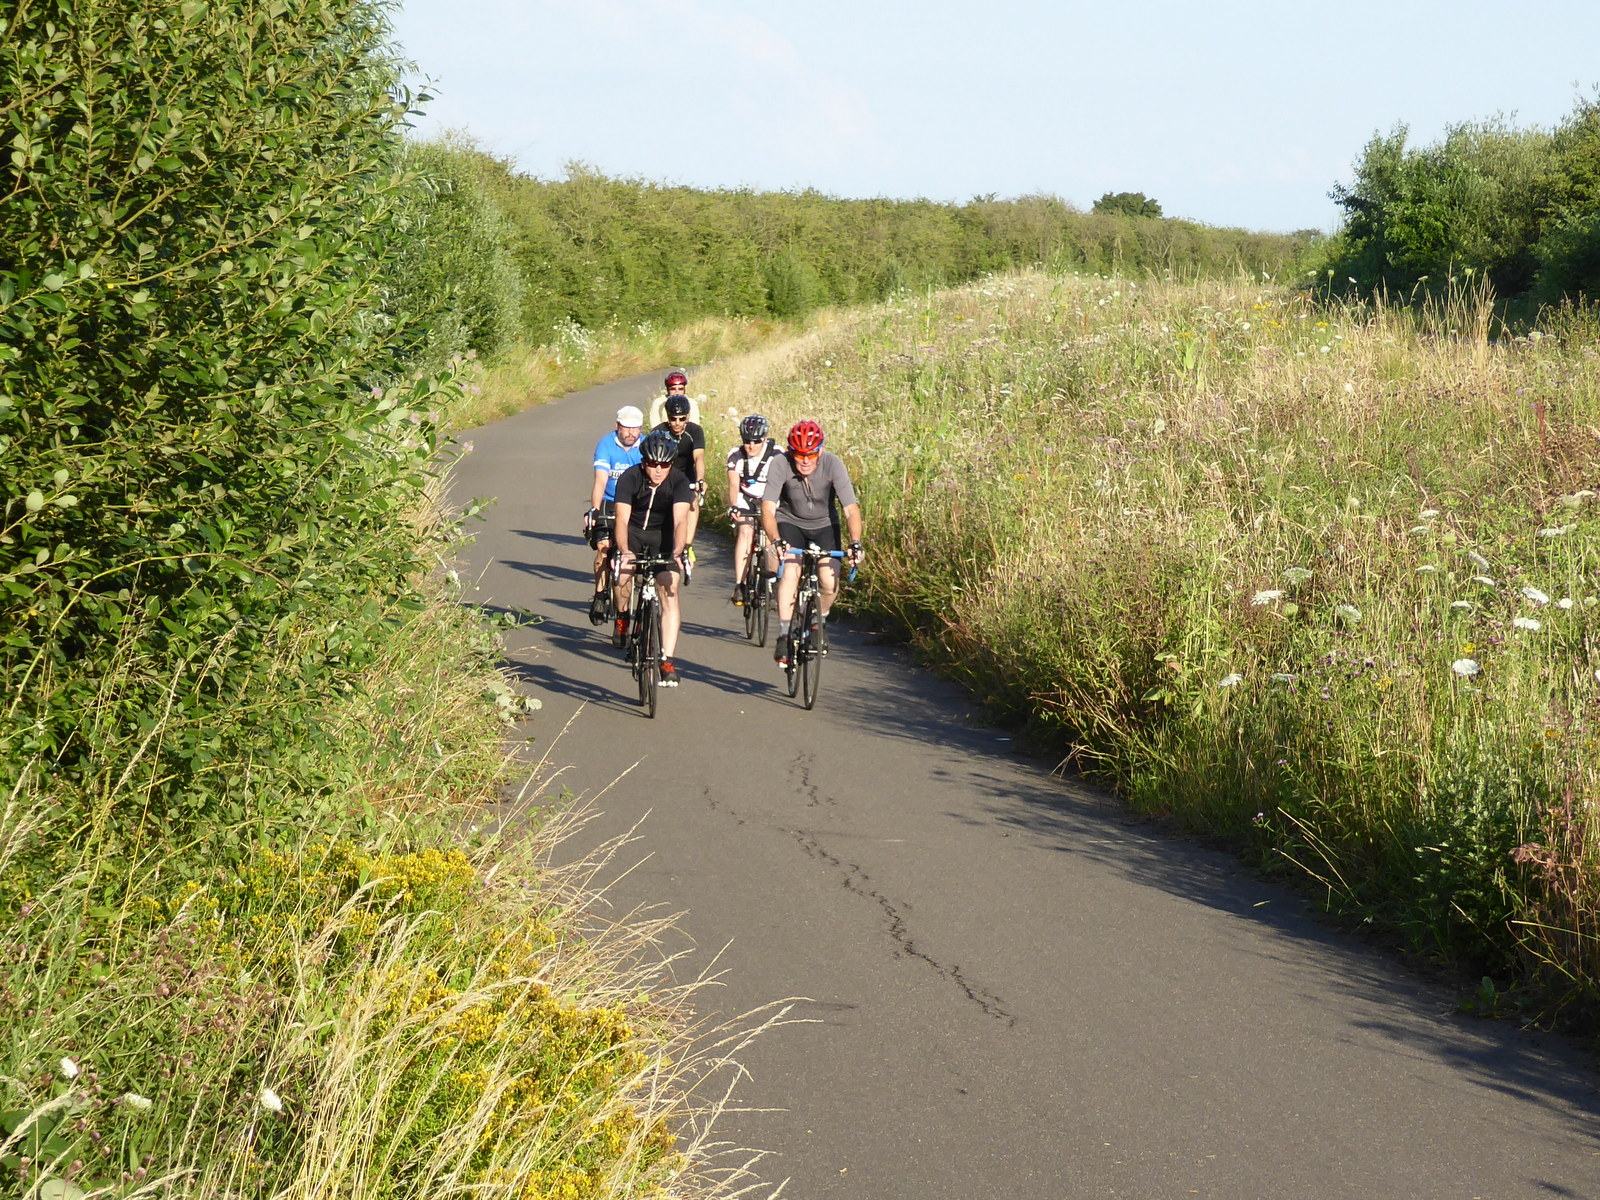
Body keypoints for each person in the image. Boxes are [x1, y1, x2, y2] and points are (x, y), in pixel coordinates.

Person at [759, 420, 864, 666]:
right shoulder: (780, 464)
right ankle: (784, 634)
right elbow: (767, 507)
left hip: (825, 525)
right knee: (791, 571)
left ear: (821, 451)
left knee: (829, 580)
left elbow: (850, 509)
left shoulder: (833, 464)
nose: (806, 461)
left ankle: (819, 621)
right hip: (790, 522)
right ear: (790, 451)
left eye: (811, 455)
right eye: (800, 455)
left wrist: (856, 542)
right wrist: (776, 541)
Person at [613, 429, 693, 686]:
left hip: (664, 537)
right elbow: (622, 519)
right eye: (653, 464)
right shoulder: (629, 477)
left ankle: (667, 659)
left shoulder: (679, 481)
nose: (658, 470)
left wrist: (679, 551)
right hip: (634, 533)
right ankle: (623, 616)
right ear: (644, 461)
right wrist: (625, 550)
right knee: (623, 575)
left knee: (669, 588)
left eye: (664, 465)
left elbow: (681, 520)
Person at [585, 405, 644, 624]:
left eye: (635, 429)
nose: (631, 433)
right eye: (626, 428)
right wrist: (595, 509)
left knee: (631, 556)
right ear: (617, 426)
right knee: (604, 549)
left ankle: (627, 609)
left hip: (635, 505)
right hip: (610, 502)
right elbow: (600, 480)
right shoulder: (606, 444)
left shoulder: (646, 445)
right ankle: (600, 594)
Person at [725, 413, 780, 604]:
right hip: (745, 498)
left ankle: (769, 581)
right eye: (747, 441)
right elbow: (733, 484)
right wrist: (733, 507)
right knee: (745, 531)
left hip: (769, 499)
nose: (751, 446)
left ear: (764, 439)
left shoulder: (777, 454)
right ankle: (740, 584)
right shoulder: (735, 455)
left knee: (770, 538)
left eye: (757, 441)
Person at [650, 395, 706, 576]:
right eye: (673, 418)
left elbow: (698, 457)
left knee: (693, 502)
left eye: (681, 419)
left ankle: (687, 546)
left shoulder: (694, 431)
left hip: (686, 477)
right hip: (665, 476)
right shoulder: (659, 431)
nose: (677, 423)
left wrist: (700, 480)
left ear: (687, 417)